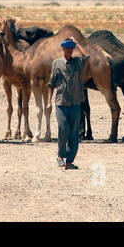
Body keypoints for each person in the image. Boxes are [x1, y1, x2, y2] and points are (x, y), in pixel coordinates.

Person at [49, 38, 87, 169]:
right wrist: (48, 101)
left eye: (71, 48)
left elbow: (86, 55)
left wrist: (76, 42)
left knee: (74, 133)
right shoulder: (57, 63)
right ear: (63, 49)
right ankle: (60, 156)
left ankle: (69, 161)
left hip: (75, 102)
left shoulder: (78, 63)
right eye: (67, 48)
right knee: (63, 128)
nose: (69, 50)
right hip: (61, 102)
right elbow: (51, 83)